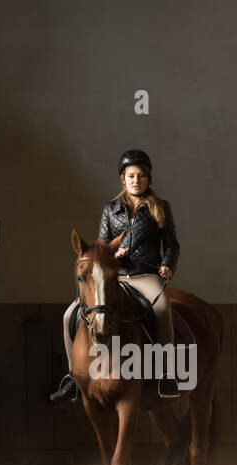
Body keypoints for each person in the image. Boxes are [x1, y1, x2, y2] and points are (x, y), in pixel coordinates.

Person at [49, 149, 181, 402]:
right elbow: (101, 245)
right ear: (123, 179)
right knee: (69, 314)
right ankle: (72, 377)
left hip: (146, 276)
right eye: (131, 176)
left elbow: (172, 244)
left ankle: (165, 372)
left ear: (148, 179)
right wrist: (110, 253)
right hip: (115, 277)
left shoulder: (161, 208)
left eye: (141, 176)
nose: (136, 180)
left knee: (162, 308)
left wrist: (167, 264)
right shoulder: (110, 209)